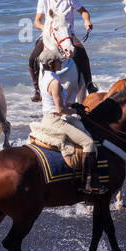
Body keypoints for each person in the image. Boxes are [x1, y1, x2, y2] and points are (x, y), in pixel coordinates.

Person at [36, 50, 107, 196]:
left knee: (85, 128)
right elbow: (61, 109)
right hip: (55, 121)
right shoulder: (54, 82)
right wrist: (75, 112)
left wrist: (75, 105)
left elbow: (62, 102)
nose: (61, 62)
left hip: (54, 116)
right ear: (50, 64)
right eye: (58, 60)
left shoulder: (47, 76)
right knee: (88, 143)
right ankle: (88, 184)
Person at [29, 0, 96, 102]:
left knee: (82, 53)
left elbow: (83, 11)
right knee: (33, 58)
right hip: (49, 35)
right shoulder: (43, 0)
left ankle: (89, 84)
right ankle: (37, 90)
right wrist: (46, 29)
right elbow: (37, 22)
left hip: (67, 34)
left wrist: (87, 20)